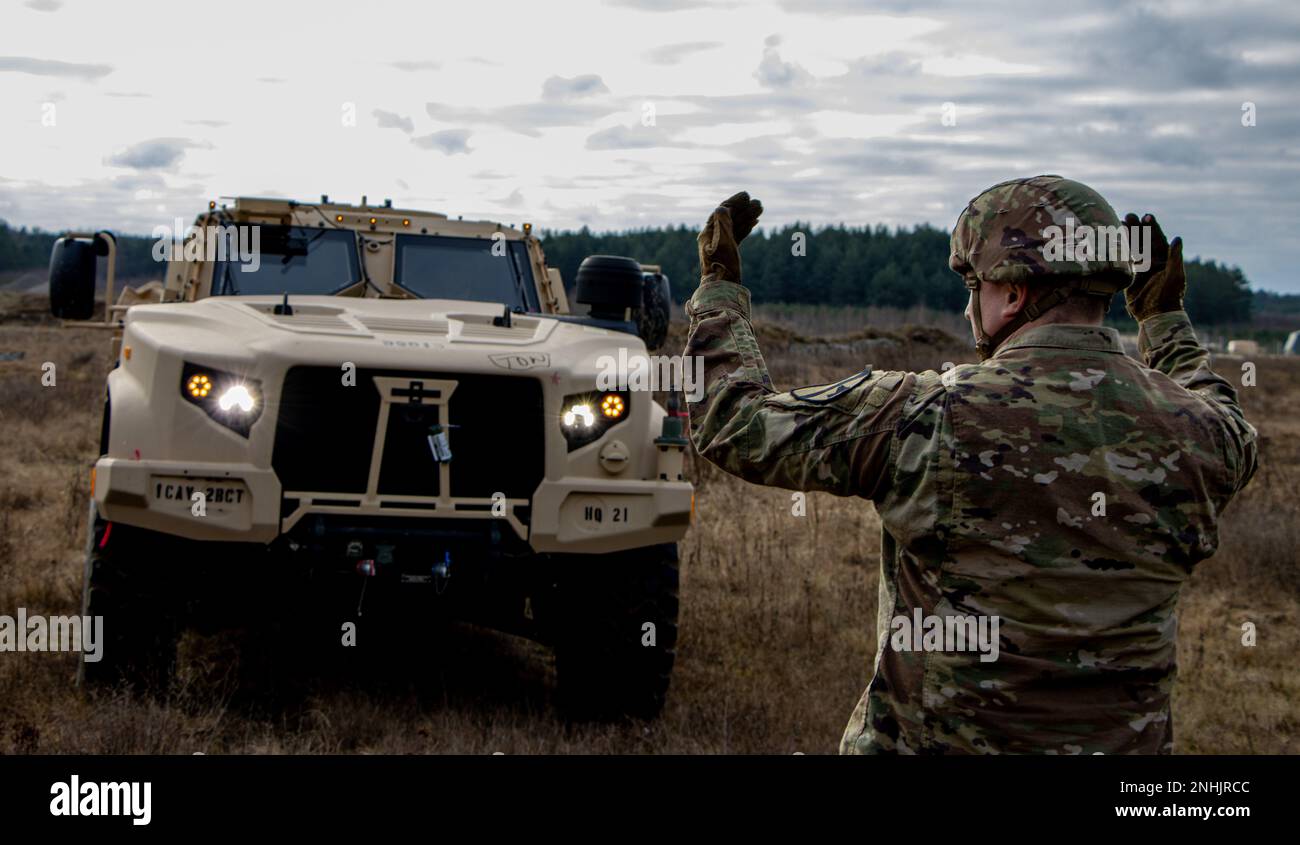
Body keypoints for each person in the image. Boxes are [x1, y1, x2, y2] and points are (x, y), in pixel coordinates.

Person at [683, 178, 1259, 754]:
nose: (967, 305)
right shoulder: (1204, 435)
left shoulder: (929, 414)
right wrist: (1163, 320)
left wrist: (718, 293)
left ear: (1011, 293)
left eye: (972, 284)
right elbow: (1219, 411)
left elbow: (734, 423)